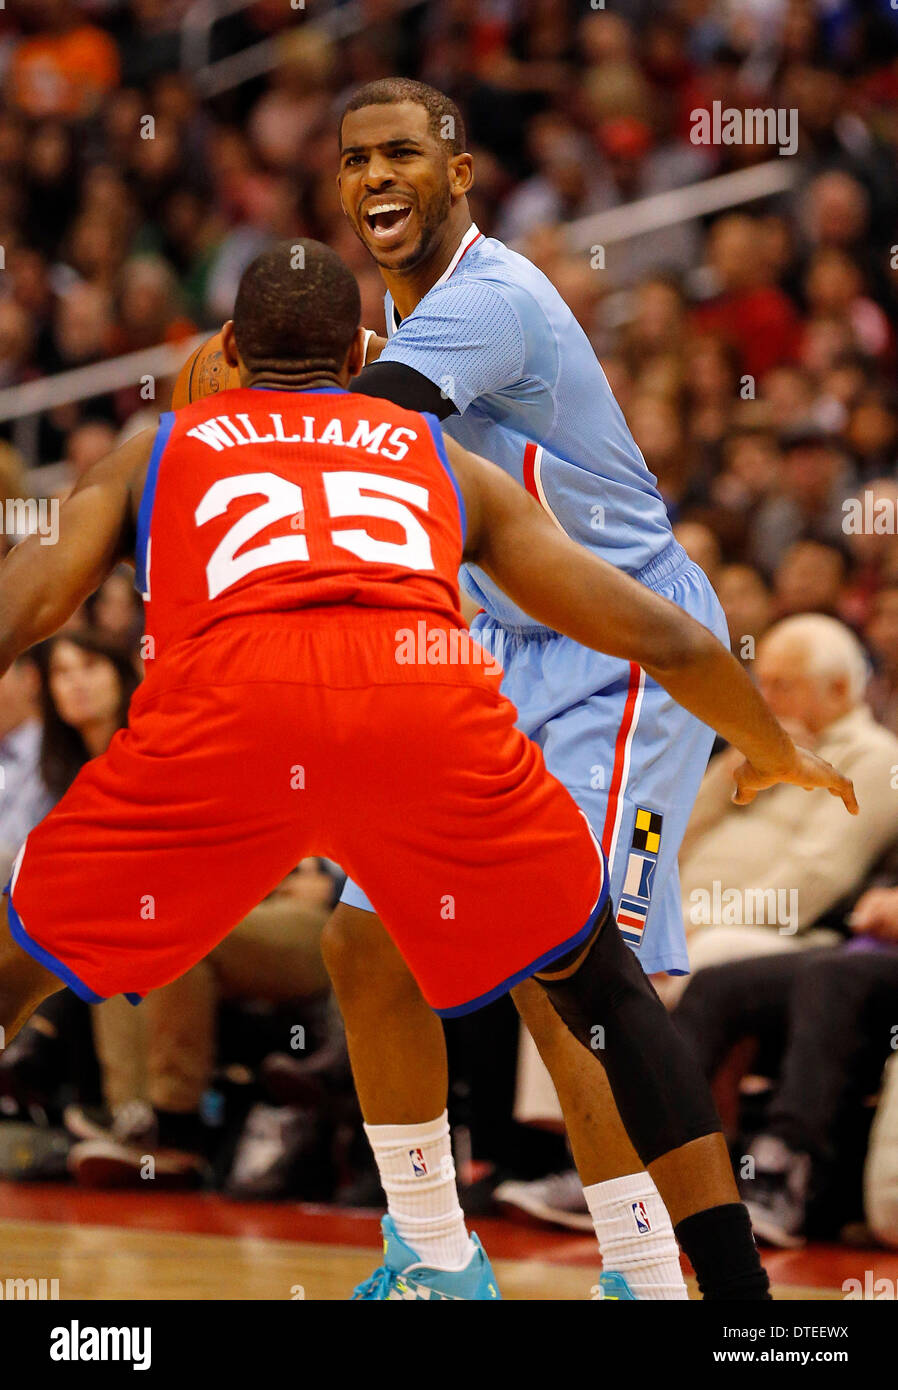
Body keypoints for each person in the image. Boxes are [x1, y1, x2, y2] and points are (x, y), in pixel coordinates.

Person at [0, 239, 855, 1303]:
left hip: (231, 720)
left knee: (15, 965)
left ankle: (613, 1272)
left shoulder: (160, 445)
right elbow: (662, 634)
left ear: (223, 351)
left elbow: (28, 603)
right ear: (360, 355)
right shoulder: (431, 454)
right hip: (425, 717)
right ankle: (734, 1308)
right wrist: (773, 745)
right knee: (599, 991)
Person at [327, 75, 747, 1297]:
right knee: (365, 944)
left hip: (621, 654)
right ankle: (435, 1254)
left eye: (402, 153)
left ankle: (644, 1277)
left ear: (459, 171)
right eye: (356, 160)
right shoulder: (404, 319)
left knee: (573, 979)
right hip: (504, 654)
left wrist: (220, 429)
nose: (375, 178)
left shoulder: (491, 303)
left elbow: (354, 445)